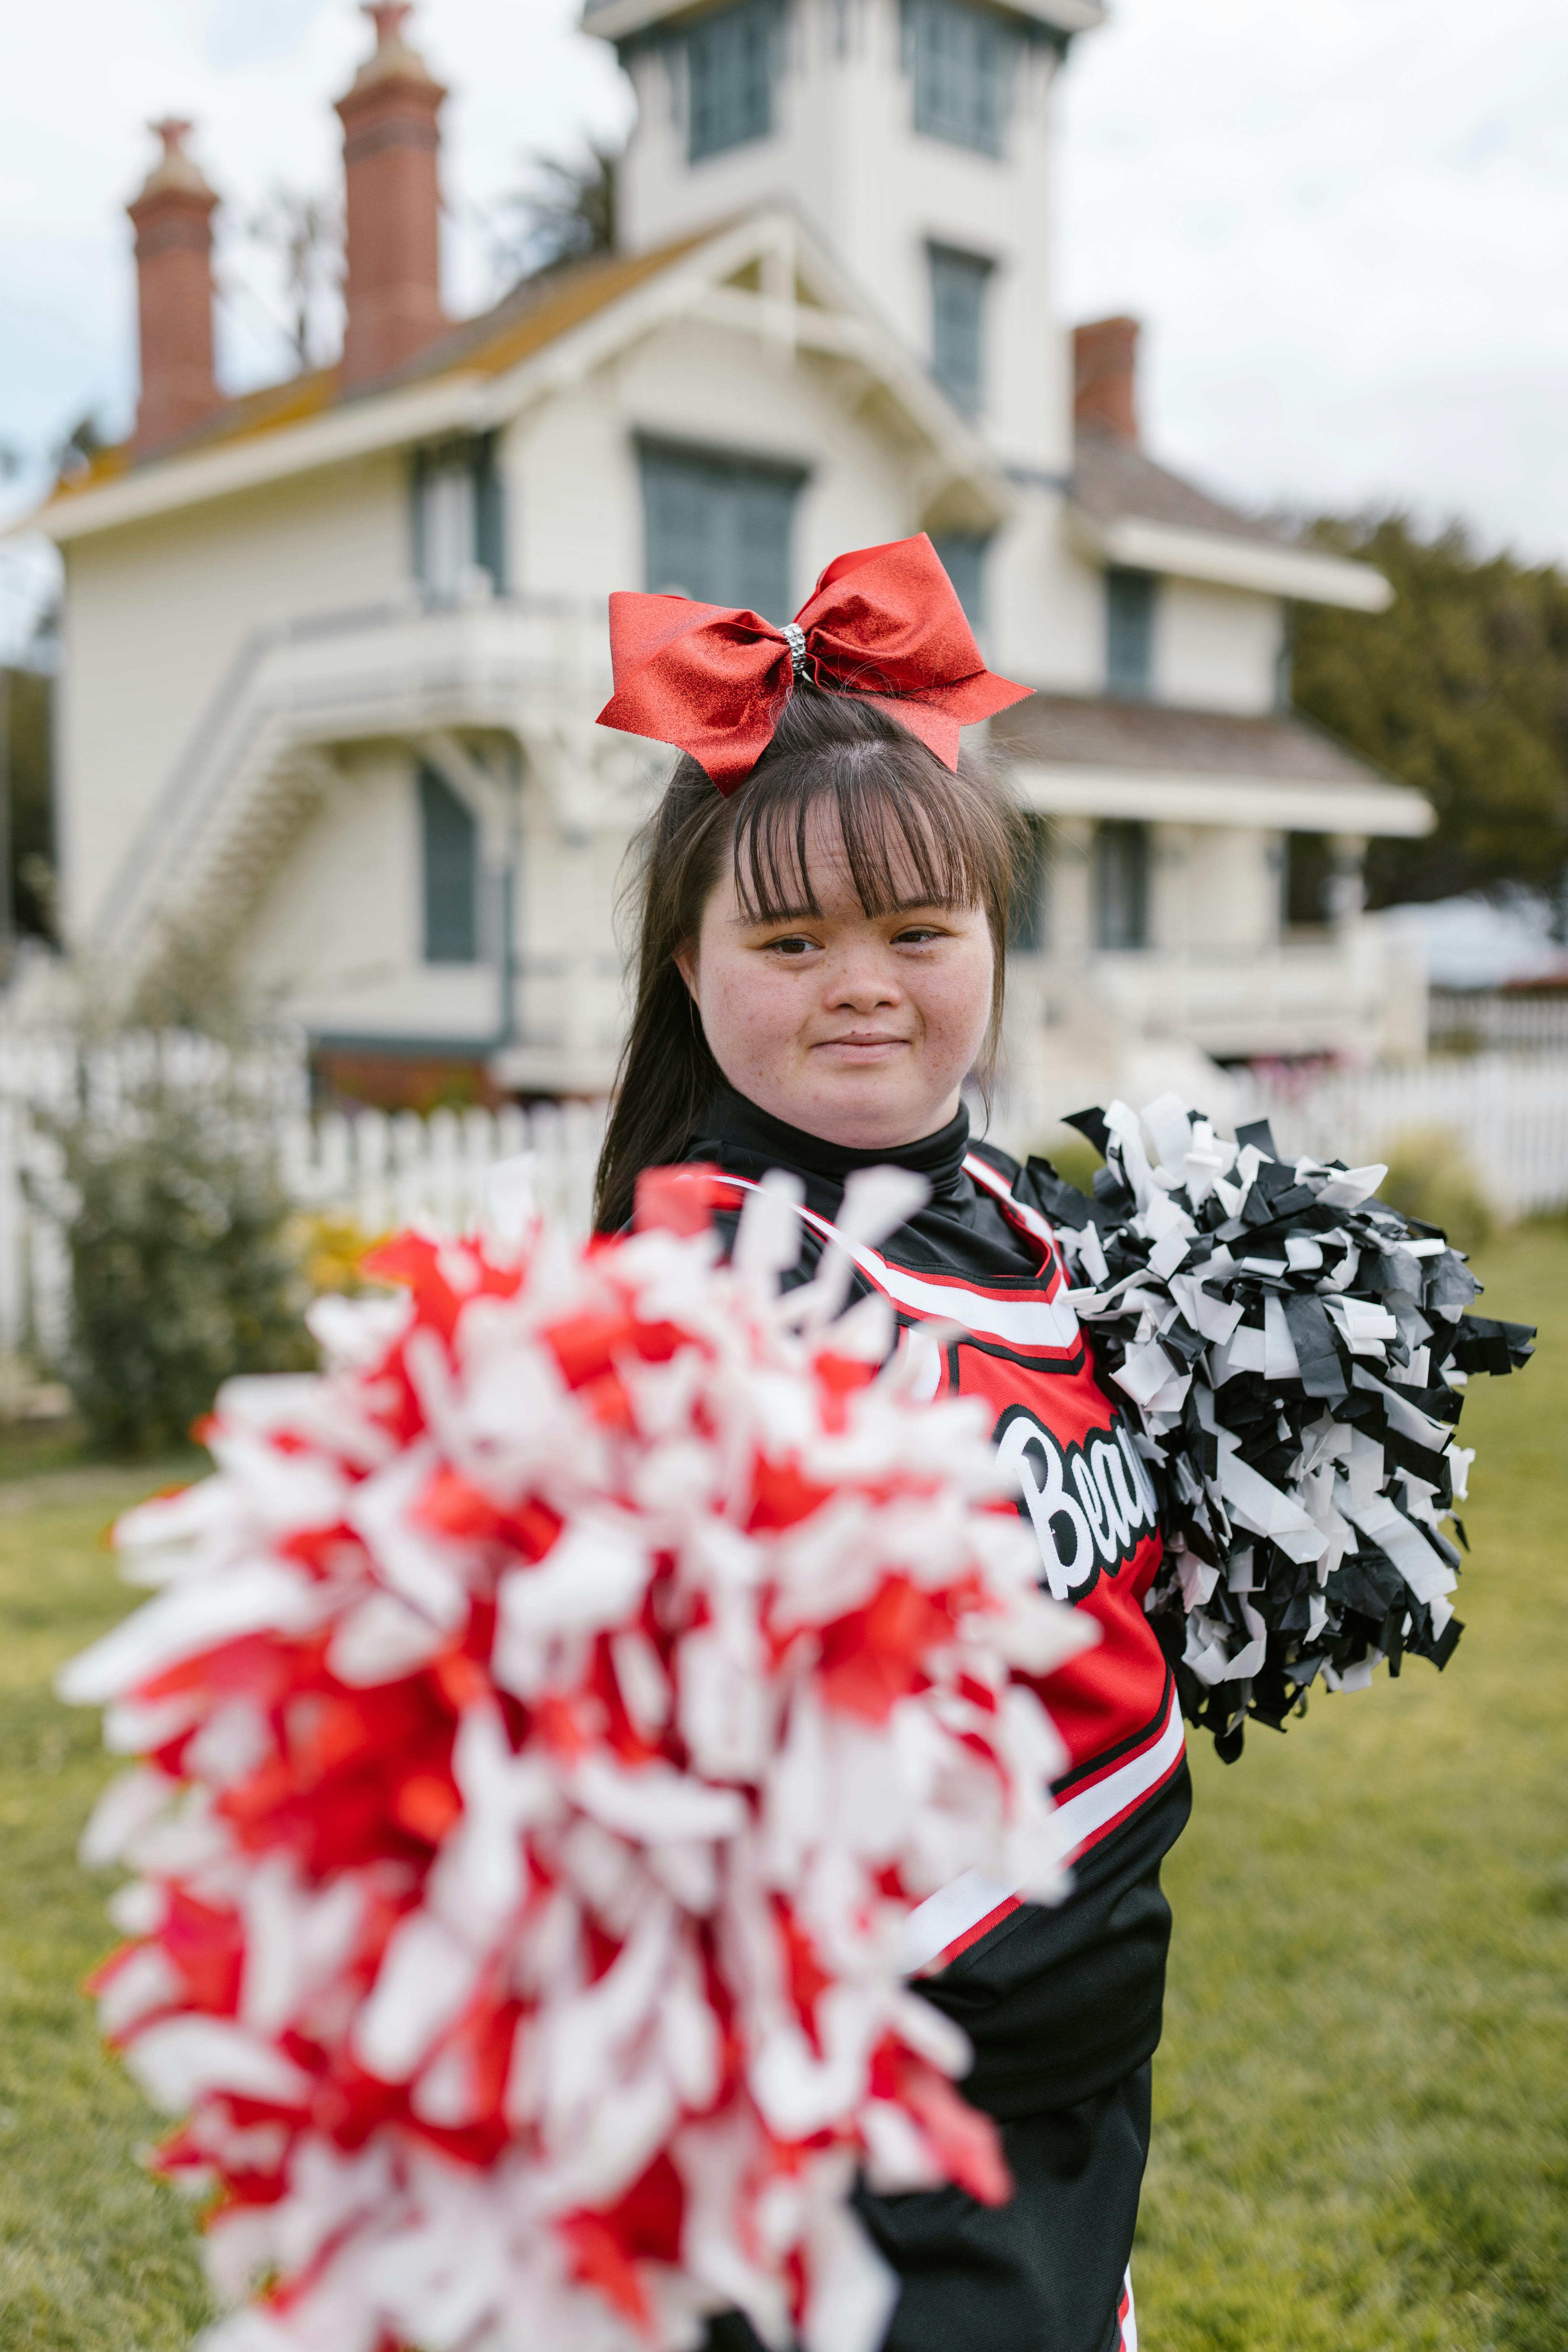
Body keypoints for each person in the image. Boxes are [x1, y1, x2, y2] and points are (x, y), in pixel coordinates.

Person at [593, 535, 1188, 2352]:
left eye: (921, 932)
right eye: (791, 940)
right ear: (688, 977)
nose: (865, 981)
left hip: (1081, 2054)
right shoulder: (696, 1282)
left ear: (991, 950)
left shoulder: (1018, 1216)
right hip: (868, 2108)